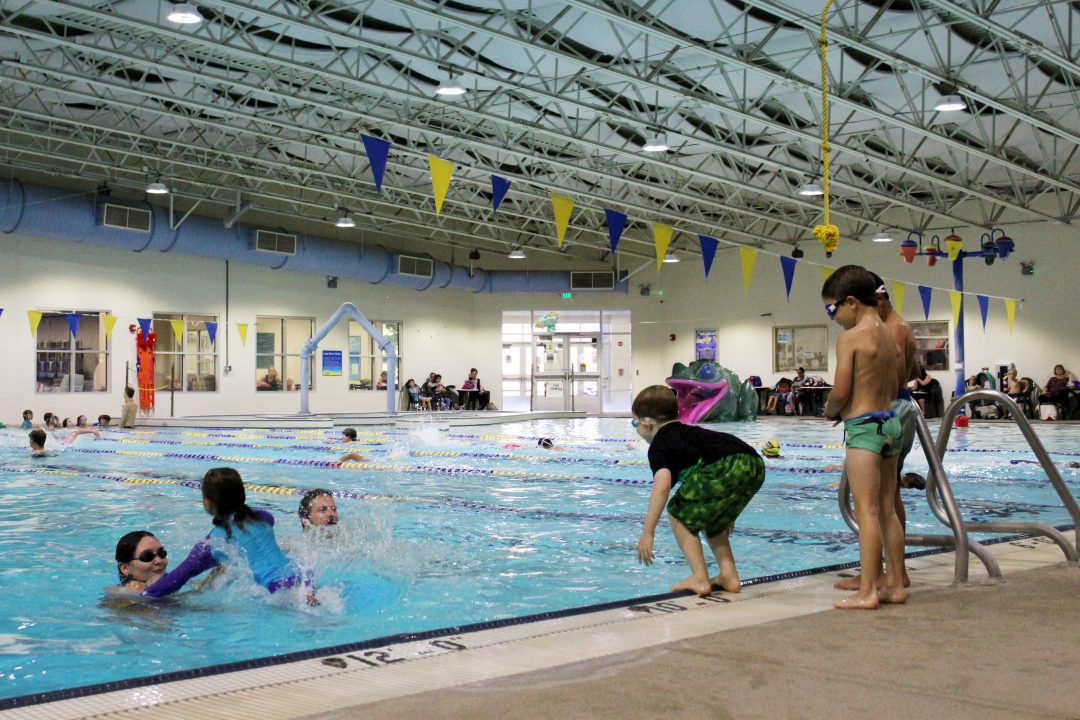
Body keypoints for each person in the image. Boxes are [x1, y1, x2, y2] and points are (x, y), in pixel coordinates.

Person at [821, 265, 906, 610]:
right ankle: (896, 584)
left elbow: (841, 390)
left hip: (864, 428)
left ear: (851, 302)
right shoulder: (889, 334)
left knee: (867, 511)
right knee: (888, 509)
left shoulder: (851, 338)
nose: (833, 318)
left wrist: (830, 411)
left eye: (832, 309)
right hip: (891, 422)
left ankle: (868, 590)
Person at [633, 385, 765, 597]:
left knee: (678, 511)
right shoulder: (686, 433)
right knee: (710, 519)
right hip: (753, 462)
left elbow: (662, 485)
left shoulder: (659, 446)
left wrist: (648, 533)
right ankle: (728, 575)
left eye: (634, 423)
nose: (636, 429)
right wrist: (724, 508)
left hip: (725, 465)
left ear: (647, 422)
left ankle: (700, 578)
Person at [835, 273, 919, 593]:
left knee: (874, 504)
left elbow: (889, 377)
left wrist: (838, 408)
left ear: (876, 299)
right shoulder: (902, 328)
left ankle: (876, 579)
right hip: (899, 411)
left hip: (880, 410)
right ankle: (894, 576)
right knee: (888, 498)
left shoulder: (885, 330)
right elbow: (912, 372)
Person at [142, 467, 312, 603]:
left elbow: (173, 581)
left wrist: (143, 594)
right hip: (302, 578)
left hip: (275, 592)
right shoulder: (264, 517)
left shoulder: (211, 545)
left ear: (208, 503)